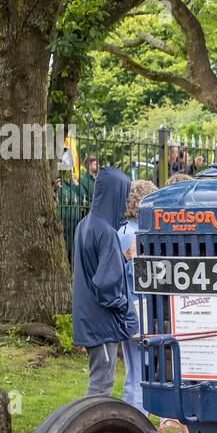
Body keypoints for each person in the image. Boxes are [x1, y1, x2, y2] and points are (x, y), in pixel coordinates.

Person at [72, 166, 138, 396]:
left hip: (88, 316)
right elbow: (106, 284)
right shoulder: (107, 232)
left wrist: (124, 257)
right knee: (101, 385)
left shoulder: (85, 225)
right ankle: (89, 429)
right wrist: (124, 309)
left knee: (98, 380)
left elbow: (94, 268)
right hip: (102, 321)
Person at [118, 179, 157, 415]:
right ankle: (138, 416)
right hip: (139, 306)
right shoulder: (136, 235)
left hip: (126, 306)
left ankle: (130, 414)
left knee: (133, 368)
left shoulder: (122, 231)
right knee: (141, 368)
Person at [56, 159, 87, 266]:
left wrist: (76, 183)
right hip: (65, 220)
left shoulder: (72, 186)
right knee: (66, 247)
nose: (72, 173)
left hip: (76, 221)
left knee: (74, 248)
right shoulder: (60, 186)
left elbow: (84, 198)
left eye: (72, 171)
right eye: (70, 171)